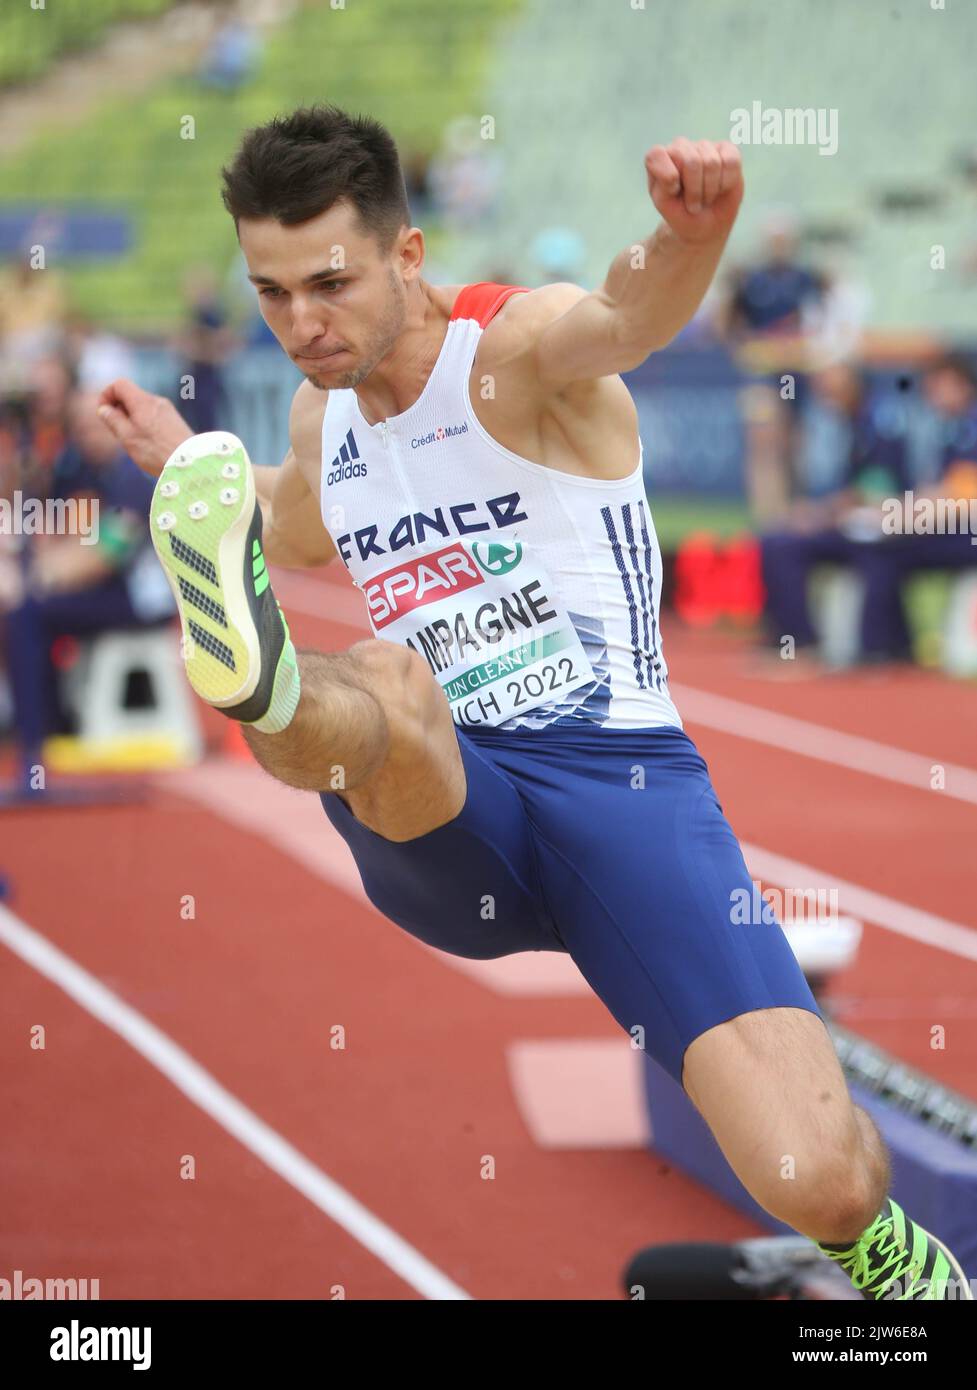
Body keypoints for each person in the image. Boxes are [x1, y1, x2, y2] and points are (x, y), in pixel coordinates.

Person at [97, 105, 969, 1301]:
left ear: (406, 256)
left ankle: (902, 1274)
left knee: (813, 1172)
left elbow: (628, 312)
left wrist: (693, 238)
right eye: (272, 293)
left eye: (331, 283)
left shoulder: (513, 350)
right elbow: (290, 516)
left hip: (623, 793)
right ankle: (263, 683)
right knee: (390, 692)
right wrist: (188, 462)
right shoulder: (321, 416)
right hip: (451, 806)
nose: (302, 323)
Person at [1, 392, 173, 792]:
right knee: (25, 609)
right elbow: (53, 533)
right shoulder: (79, 472)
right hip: (102, 589)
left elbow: (107, 553)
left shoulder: (132, 475)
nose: (87, 435)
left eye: (98, 426)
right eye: (80, 427)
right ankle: (49, 721)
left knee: (28, 611)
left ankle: (35, 746)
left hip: (140, 599)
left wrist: (37, 577)